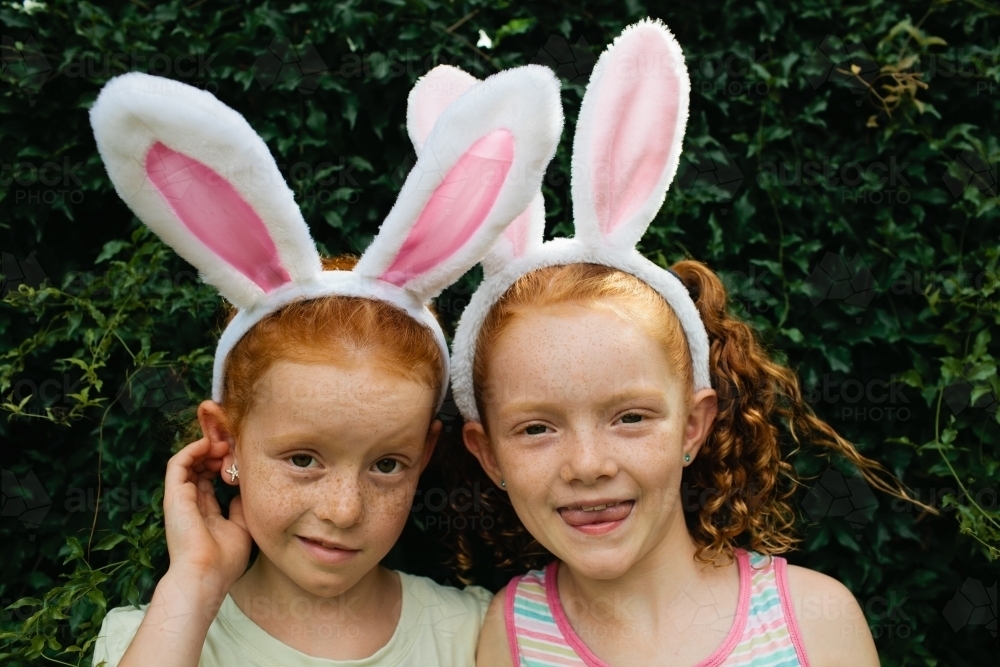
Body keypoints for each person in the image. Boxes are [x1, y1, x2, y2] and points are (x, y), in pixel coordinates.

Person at [447, 19, 916, 667]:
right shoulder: (510, 634)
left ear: (693, 424)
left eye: (631, 416)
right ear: (487, 450)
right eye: (536, 428)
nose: (588, 463)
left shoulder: (816, 622)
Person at [87, 63, 563, 666]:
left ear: (423, 456)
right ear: (225, 443)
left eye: (387, 465)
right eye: (303, 459)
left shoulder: (472, 634)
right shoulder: (161, 634)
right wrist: (195, 582)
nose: (344, 509)